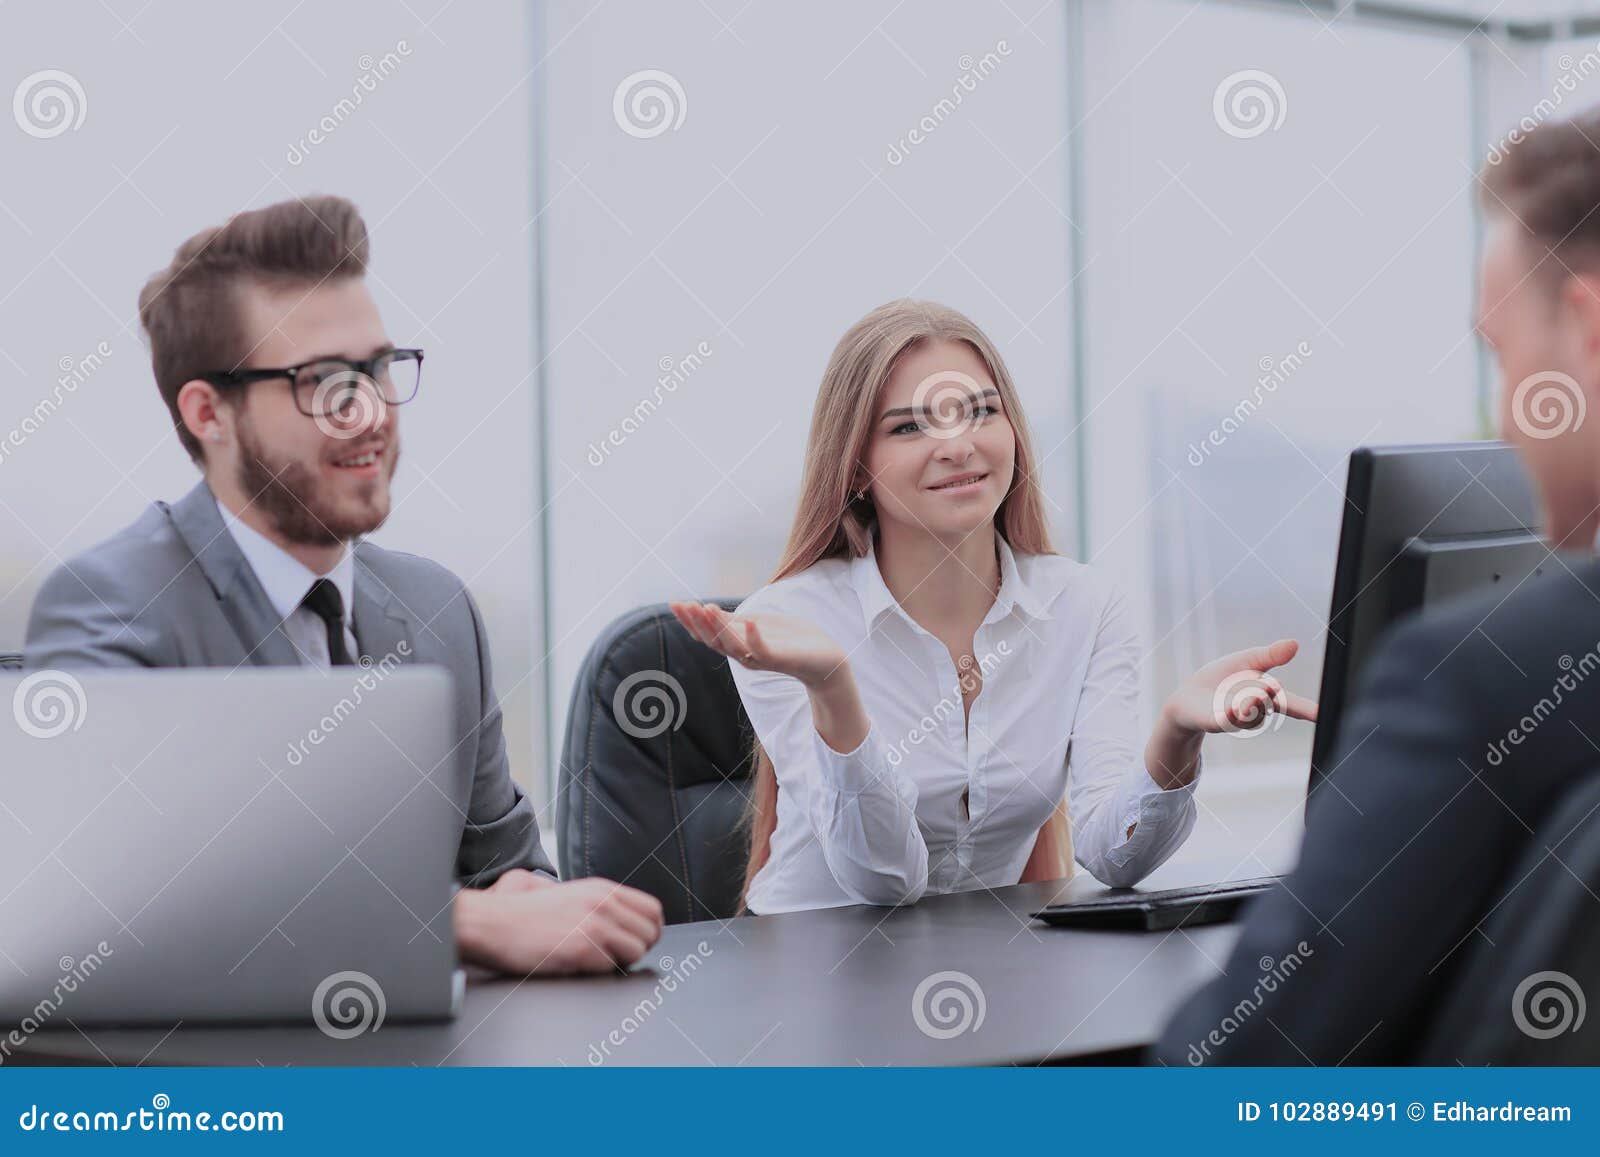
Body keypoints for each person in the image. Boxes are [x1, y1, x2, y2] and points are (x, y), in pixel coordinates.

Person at [24, 195, 661, 976]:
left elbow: (506, 864)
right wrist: (463, 921)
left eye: (377, 368)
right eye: (321, 380)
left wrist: (526, 892)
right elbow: (124, 906)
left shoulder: (439, 609)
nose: (370, 413)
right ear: (207, 413)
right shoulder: (109, 608)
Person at [1153, 106, 1600, 1064]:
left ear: (1586, 325)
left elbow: (1241, 1073)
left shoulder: (1481, 680)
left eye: (1500, 348)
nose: (1508, 420)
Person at [670, 300, 1316, 914]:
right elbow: (883, 882)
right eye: (910, 425)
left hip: (997, 978)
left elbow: (1109, 855)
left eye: (980, 411)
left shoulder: (1084, 606)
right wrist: (833, 688)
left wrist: (1177, 736)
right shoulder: (782, 624)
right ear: (857, 467)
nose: (958, 445)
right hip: (814, 980)